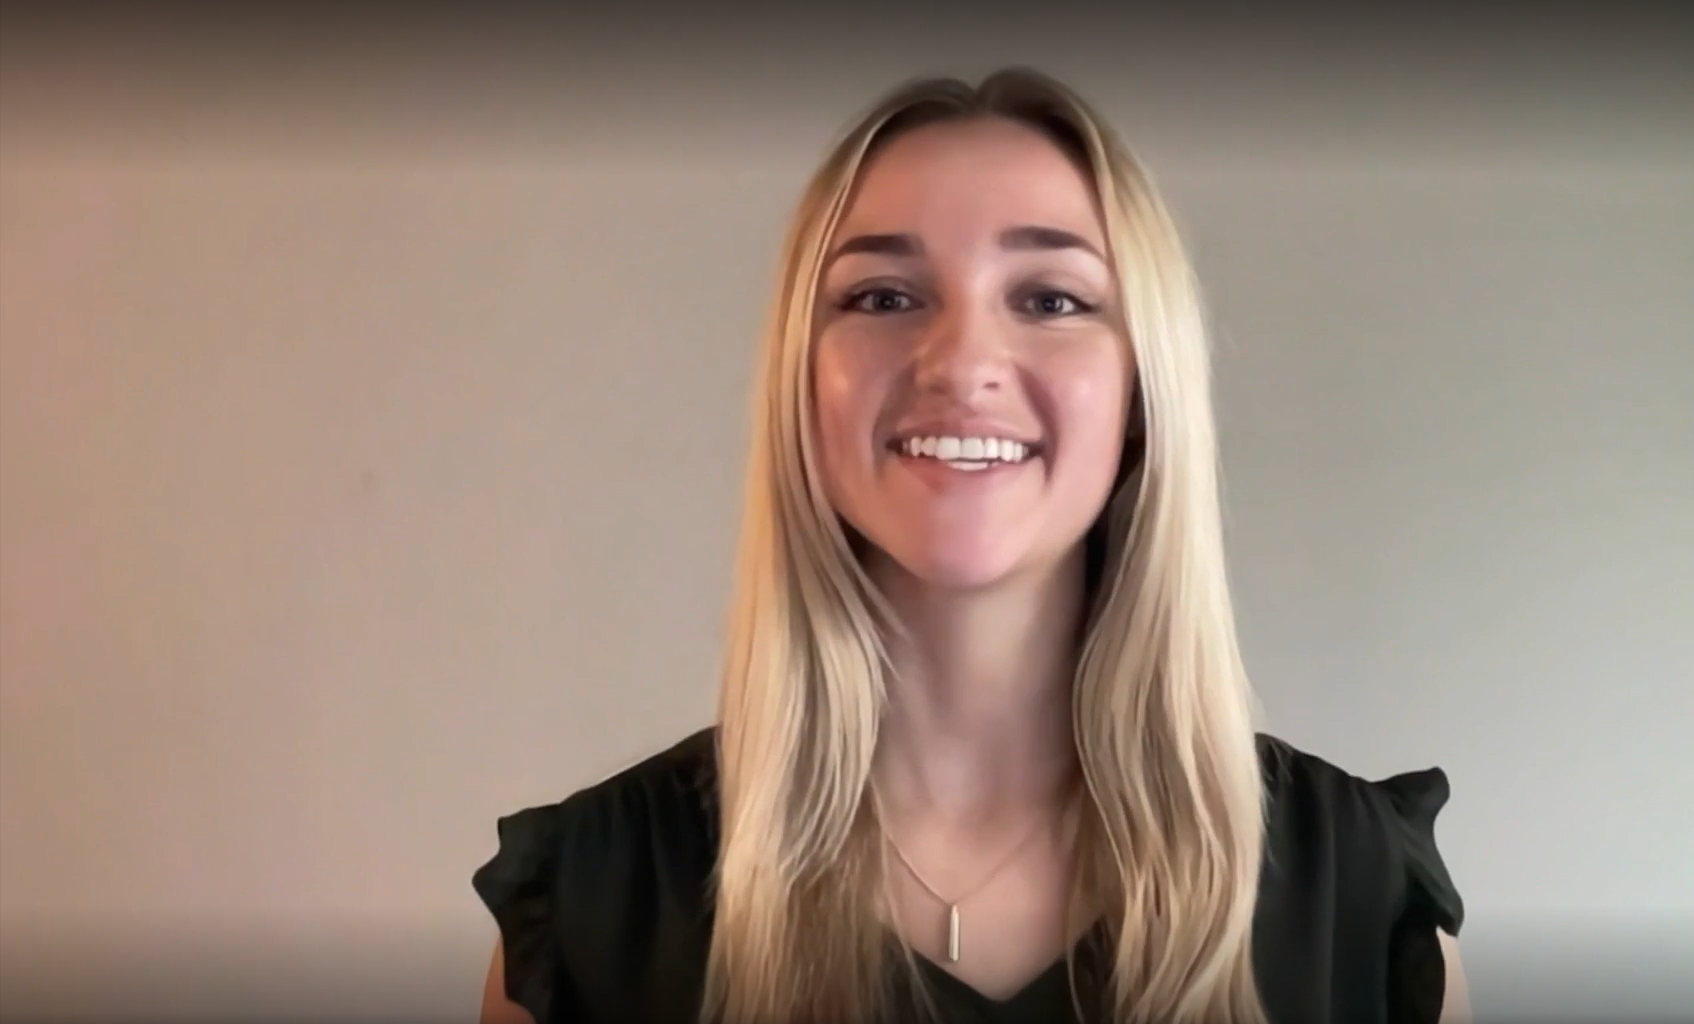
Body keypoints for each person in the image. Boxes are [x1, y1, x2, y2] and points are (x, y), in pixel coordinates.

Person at [471, 67, 1470, 1024]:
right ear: (801, 386)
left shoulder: (1363, 894)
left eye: (1050, 299)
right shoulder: (589, 907)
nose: (960, 361)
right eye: (883, 296)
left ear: (1140, 394)